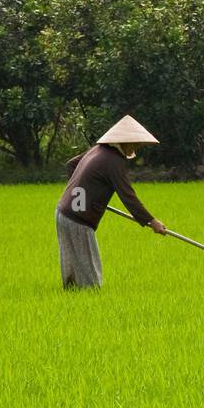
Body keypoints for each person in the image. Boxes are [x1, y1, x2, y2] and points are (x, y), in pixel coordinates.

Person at [55, 115, 167, 288]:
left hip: (63, 212)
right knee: (90, 279)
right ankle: (88, 304)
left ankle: (74, 300)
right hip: (78, 220)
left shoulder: (97, 150)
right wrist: (152, 221)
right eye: (135, 143)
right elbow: (128, 196)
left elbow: (71, 165)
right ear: (123, 141)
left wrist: (83, 197)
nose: (136, 148)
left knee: (73, 273)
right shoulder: (114, 161)